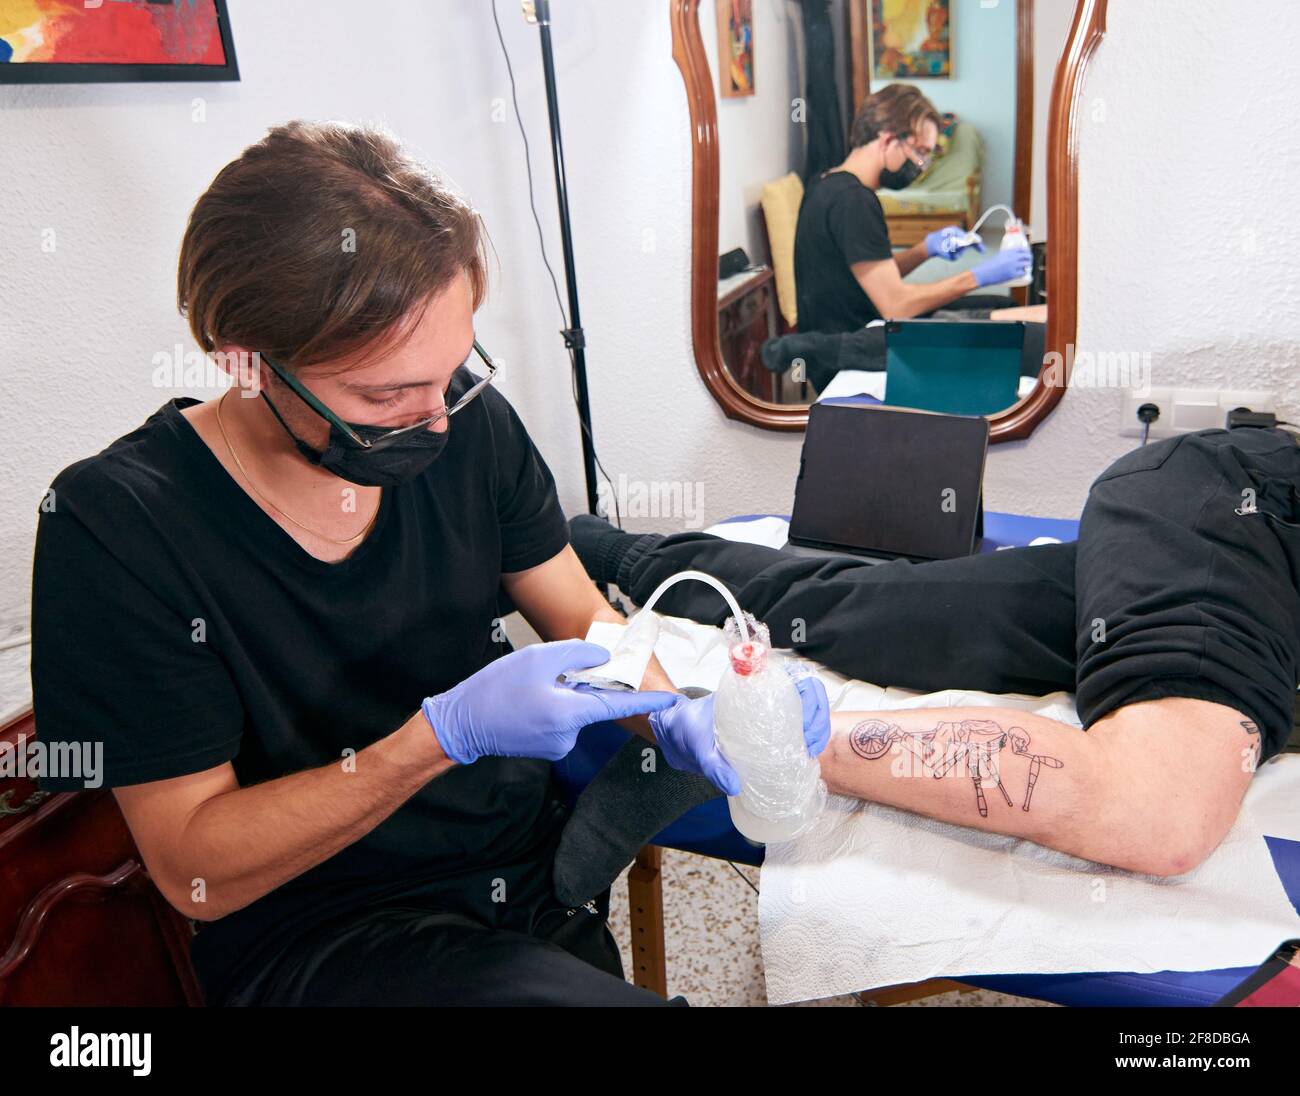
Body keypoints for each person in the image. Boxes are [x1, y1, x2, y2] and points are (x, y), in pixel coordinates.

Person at [29, 120, 829, 1007]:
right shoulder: (119, 528)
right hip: (326, 937)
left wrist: (689, 709)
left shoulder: (467, 425)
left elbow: (581, 617)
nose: (436, 419)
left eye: (450, 373)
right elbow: (192, 869)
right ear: (243, 361)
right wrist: (434, 741)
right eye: (385, 395)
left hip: (517, 876)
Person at [566, 424, 1300, 878]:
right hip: (1241, 505)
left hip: (1223, 549)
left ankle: (613, 550)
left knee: (884, 614)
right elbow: (1153, 813)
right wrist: (764, 739)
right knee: (1159, 806)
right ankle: (607, 559)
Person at [792, 84, 1031, 336]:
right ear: (888, 140)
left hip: (848, 327)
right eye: (920, 152)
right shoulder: (853, 201)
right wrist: (979, 276)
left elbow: (872, 274)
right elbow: (896, 305)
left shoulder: (826, 183)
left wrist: (925, 249)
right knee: (1013, 328)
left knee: (1000, 305)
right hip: (853, 344)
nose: (922, 166)